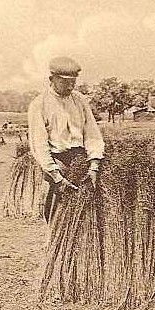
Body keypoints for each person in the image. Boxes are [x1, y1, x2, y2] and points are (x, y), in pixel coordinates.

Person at [28, 56, 105, 222]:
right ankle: (56, 240)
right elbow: (39, 144)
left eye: (73, 82)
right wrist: (56, 176)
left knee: (88, 209)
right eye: (64, 82)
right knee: (57, 209)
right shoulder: (39, 104)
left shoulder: (79, 100)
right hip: (57, 161)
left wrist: (94, 166)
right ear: (51, 79)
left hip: (81, 158)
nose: (70, 86)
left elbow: (92, 133)